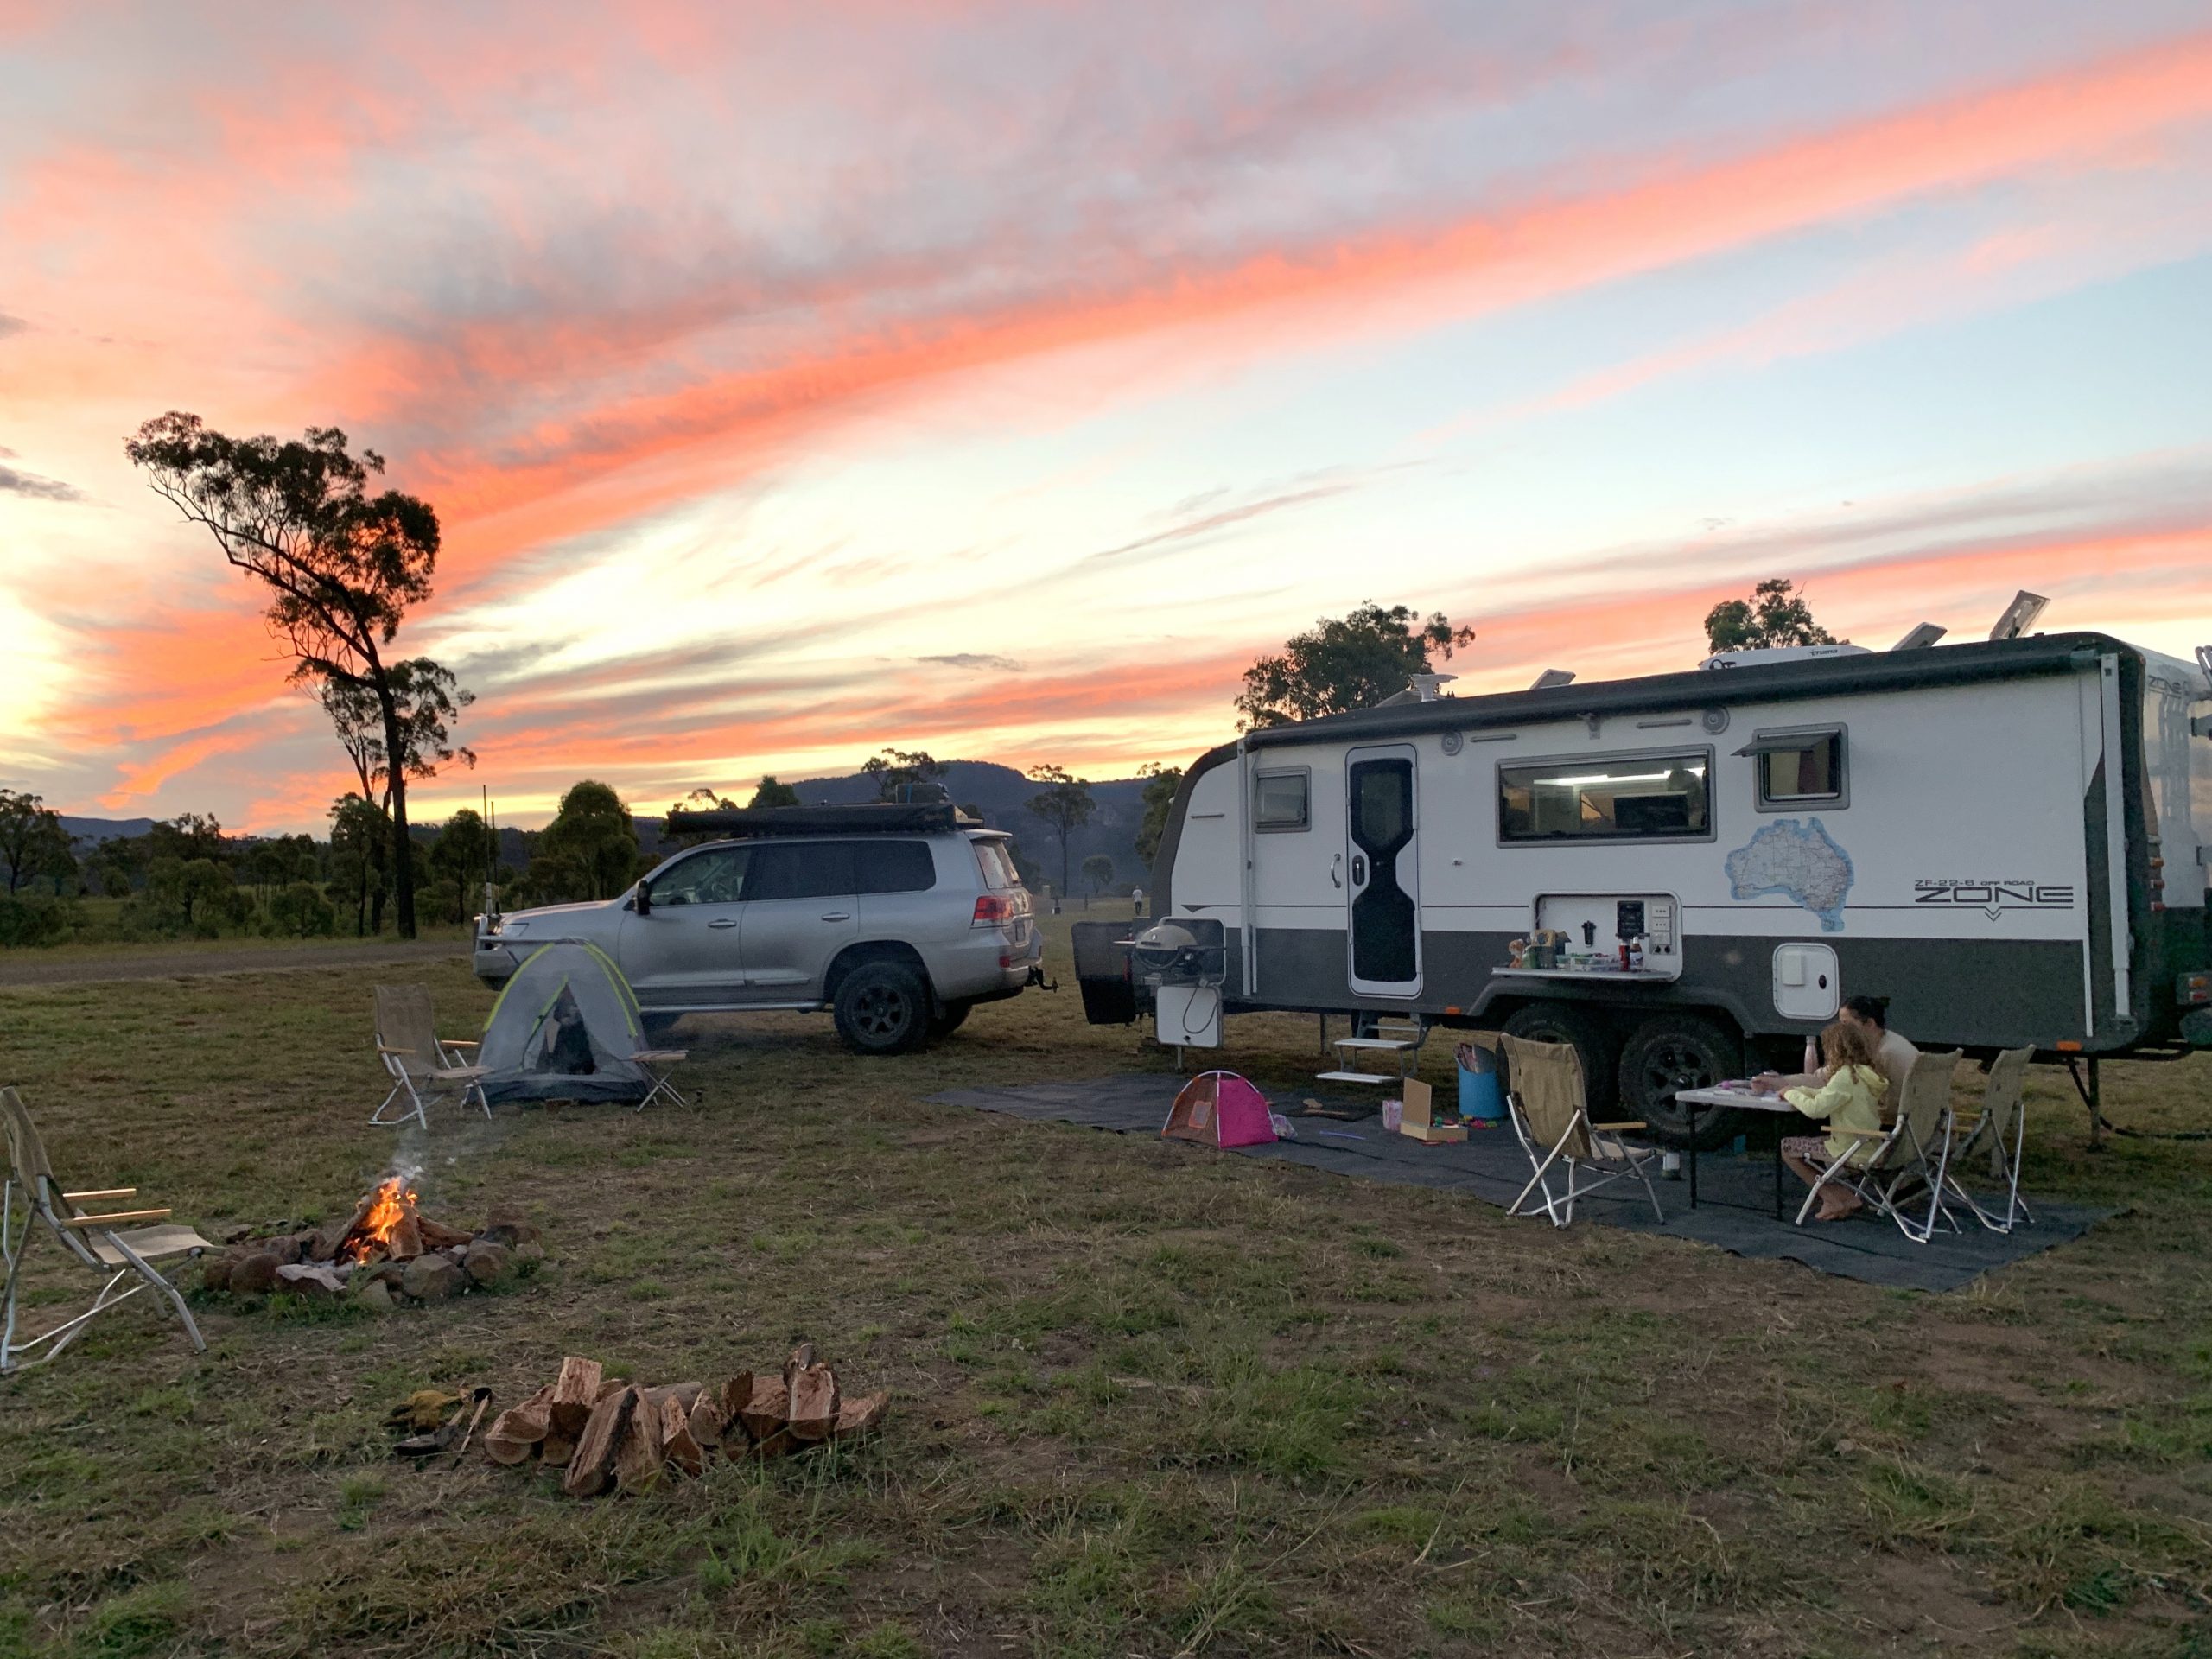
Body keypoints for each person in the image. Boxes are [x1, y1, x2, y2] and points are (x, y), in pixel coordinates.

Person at [1780, 1018, 1889, 1221]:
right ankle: (1846, 1197)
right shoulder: (1864, 1074)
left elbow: (1816, 1109)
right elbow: (1827, 1094)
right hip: (1869, 1146)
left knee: (1787, 1147)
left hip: (1849, 1148)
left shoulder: (1844, 1077)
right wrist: (1796, 1090)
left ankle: (1830, 1197)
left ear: (1834, 1050)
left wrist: (1789, 1094)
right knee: (1809, 1144)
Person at [1752, 995, 1917, 1109]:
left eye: (1847, 1025)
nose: (1841, 1031)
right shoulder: (1886, 1044)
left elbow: (1889, 1107)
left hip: (1878, 1137)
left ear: (1870, 1024)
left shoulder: (1886, 1055)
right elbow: (1823, 1078)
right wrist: (1777, 1082)